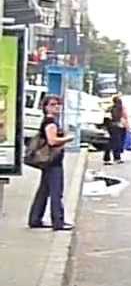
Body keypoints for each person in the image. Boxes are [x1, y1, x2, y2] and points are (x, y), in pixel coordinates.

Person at [28, 95, 74, 231]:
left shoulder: (49, 121)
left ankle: (35, 218)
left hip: (49, 161)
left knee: (44, 190)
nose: (57, 107)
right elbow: (52, 141)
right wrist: (67, 138)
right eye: (53, 104)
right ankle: (58, 221)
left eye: (58, 104)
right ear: (46, 107)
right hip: (53, 161)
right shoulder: (50, 122)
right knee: (56, 191)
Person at [104, 95, 126, 165]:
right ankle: (115, 158)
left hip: (112, 127)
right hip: (115, 127)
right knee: (116, 143)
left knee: (111, 143)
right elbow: (118, 118)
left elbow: (106, 119)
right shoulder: (118, 108)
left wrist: (107, 127)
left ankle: (108, 158)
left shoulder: (110, 108)